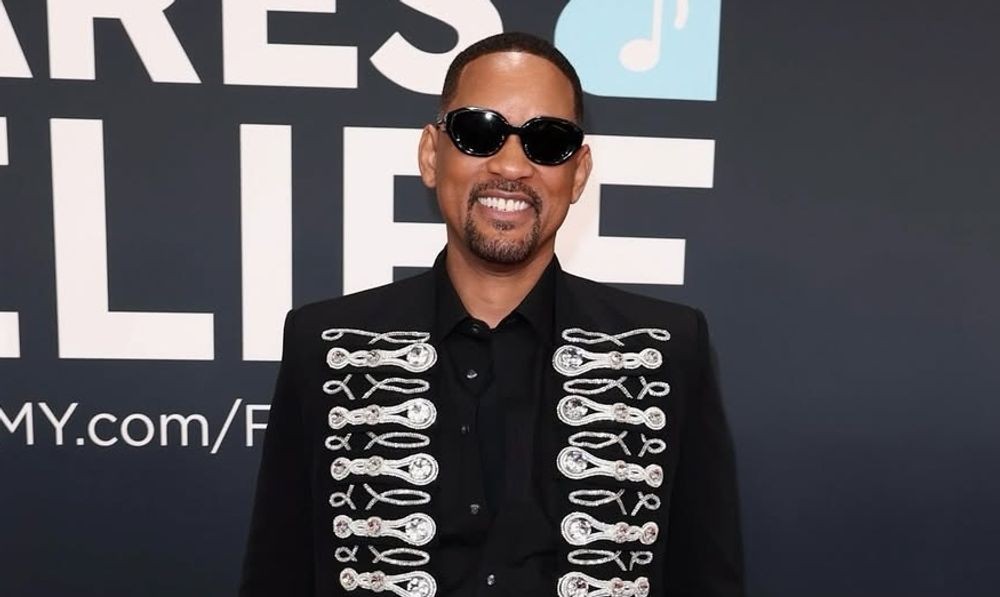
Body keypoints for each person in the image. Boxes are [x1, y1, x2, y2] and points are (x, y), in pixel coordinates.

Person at [239, 32, 744, 597]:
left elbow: (706, 577)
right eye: (479, 133)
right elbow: (277, 573)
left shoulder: (668, 347)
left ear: (578, 174)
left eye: (547, 141)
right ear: (431, 155)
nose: (511, 165)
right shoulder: (325, 344)